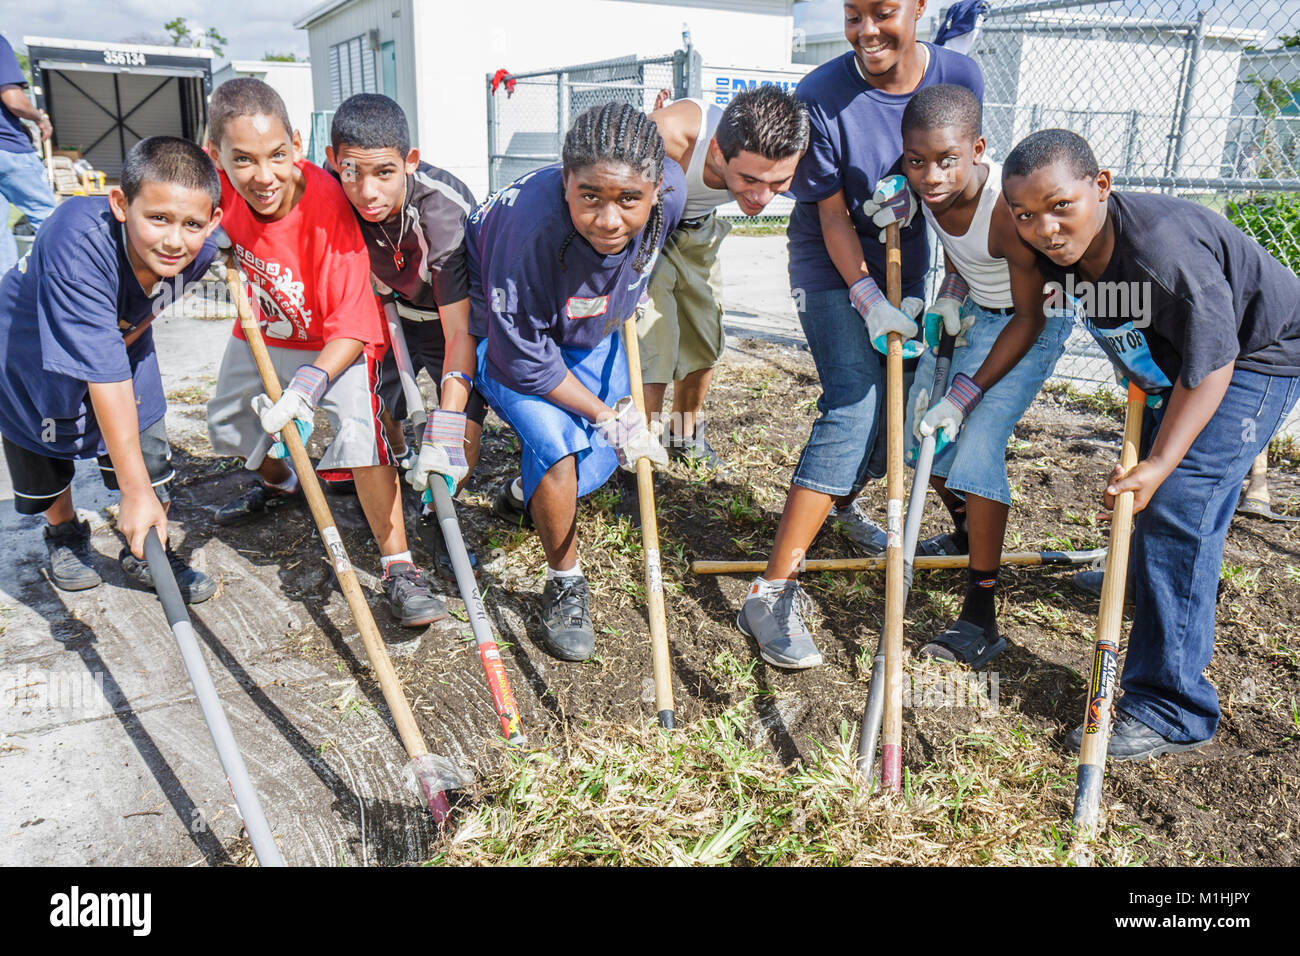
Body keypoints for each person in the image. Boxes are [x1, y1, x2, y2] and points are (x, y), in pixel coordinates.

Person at [919, 128, 1300, 759]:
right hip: (1175, 360)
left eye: (1060, 206)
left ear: (1101, 186)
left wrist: (1158, 462)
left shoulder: (1159, 252)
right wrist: (964, 388)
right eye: (1025, 214)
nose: (1045, 229)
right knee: (1151, 499)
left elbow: (1212, 365)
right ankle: (1146, 580)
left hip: (1259, 353)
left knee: (1178, 502)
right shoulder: (1047, 246)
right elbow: (1037, 315)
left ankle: (1171, 708)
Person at [736, 0, 984, 670]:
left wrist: (953, 291)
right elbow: (829, 213)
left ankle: (838, 503)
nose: (866, 30)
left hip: (913, 265)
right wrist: (867, 296)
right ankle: (771, 590)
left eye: (882, 12)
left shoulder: (960, 76)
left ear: (918, 8)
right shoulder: (820, 95)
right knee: (857, 402)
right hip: (829, 266)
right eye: (852, 14)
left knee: (900, 418)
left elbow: (962, 190)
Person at [203, 78, 445, 628]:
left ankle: (399, 566)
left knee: (360, 436)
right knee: (227, 426)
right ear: (216, 155)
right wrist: (200, 230)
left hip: (335, 343)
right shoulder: (212, 187)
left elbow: (354, 327)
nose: (263, 176)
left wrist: (306, 391)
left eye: (277, 155)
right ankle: (285, 482)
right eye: (242, 160)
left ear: (297, 144)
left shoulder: (330, 207)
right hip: (265, 333)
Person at [468, 101, 684, 662]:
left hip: (581, 320)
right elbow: (524, 359)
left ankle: (522, 496)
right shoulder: (531, 232)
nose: (608, 219)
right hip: (506, 332)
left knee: (596, 461)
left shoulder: (671, 194)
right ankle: (564, 580)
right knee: (560, 446)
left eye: (629, 200)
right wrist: (605, 414)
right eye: (590, 195)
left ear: (657, 188)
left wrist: (627, 299)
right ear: (566, 180)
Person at [895, 83, 1075, 668]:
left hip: (1031, 326)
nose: (931, 176)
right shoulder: (929, 192)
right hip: (976, 312)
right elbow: (959, 255)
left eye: (948, 160)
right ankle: (967, 530)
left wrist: (967, 394)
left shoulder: (1004, 213)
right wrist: (950, 293)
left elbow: (1026, 318)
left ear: (978, 150)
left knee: (974, 442)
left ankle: (980, 614)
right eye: (916, 161)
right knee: (918, 430)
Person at [0, 136, 221, 600]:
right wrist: (131, 490)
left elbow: (148, 312)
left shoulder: (198, 253)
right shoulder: (76, 245)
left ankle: (149, 547)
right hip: (27, 346)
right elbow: (104, 375)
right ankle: (63, 533)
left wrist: (122, 339)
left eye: (191, 223)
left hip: (122, 340)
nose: (173, 239)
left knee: (145, 434)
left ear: (212, 221)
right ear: (121, 203)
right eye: (157, 218)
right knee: (45, 439)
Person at [325, 93, 483, 572]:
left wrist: (448, 423)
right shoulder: (327, 189)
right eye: (352, 171)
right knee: (382, 404)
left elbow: (461, 333)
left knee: (462, 427)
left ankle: (439, 505)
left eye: (385, 173)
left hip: (447, 320)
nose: (368, 191)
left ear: (409, 162)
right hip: (383, 311)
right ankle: (392, 460)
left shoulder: (443, 210)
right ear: (334, 162)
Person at [635, 84, 809, 469]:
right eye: (750, 180)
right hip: (644, 231)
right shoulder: (671, 135)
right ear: (717, 150)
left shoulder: (786, 152)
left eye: (777, 184)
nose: (764, 199)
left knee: (704, 336)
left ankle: (682, 433)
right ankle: (637, 455)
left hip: (697, 231)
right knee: (653, 344)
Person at [0, 32, 57, 275]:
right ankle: (72, 282)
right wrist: (39, 118)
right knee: (51, 219)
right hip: (8, 149)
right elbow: (13, 100)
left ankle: (5, 299)